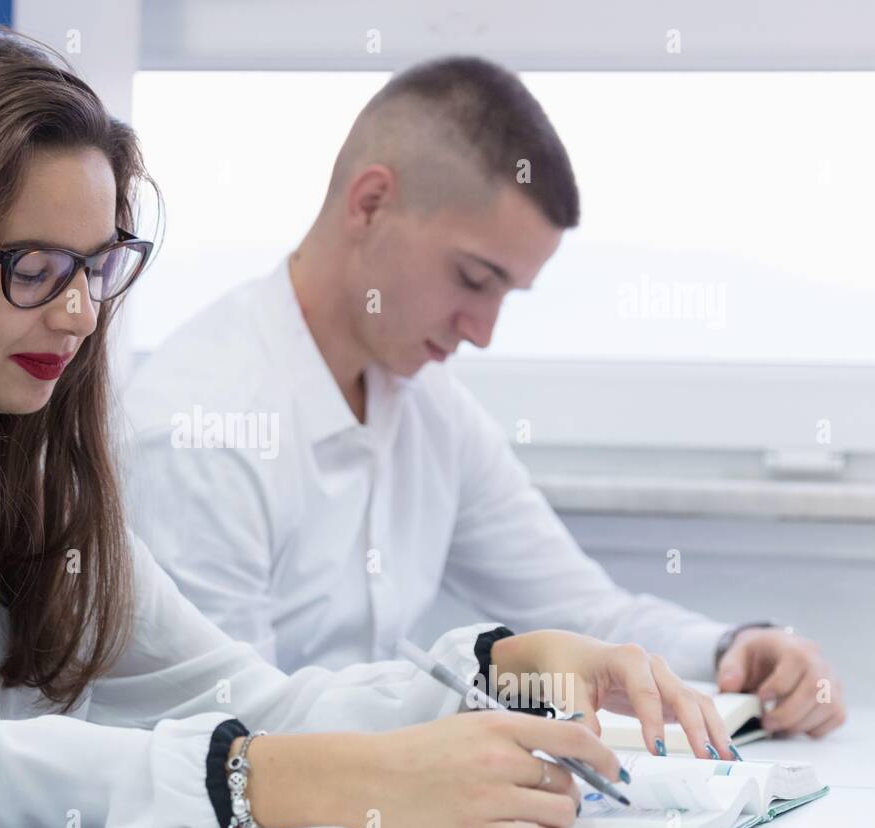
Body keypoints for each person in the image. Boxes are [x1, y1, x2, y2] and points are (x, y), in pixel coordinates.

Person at [0, 21, 722, 828]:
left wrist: (497, 672)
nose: (78, 315)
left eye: (98, 269)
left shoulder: (7, 482)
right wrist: (292, 780)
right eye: (35, 268)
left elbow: (253, 698)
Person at [122, 57, 845, 744]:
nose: (484, 331)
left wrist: (737, 647)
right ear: (370, 204)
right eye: (473, 278)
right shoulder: (203, 431)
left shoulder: (426, 404)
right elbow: (234, 735)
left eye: (507, 294)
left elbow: (583, 614)